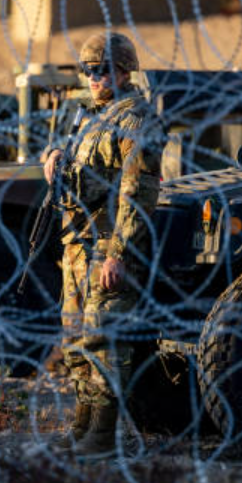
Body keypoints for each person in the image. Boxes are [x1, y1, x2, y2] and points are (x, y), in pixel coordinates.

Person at [43, 32, 163, 455]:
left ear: (125, 71)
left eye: (103, 70)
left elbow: (138, 192)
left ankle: (103, 434)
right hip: (79, 243)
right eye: (89, 70)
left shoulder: (135, 119)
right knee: (76, 339)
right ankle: (83, 424)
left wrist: (119, 255)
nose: (94, 77)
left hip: (109, 245)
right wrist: (55, 156)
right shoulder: (92, 117)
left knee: (105, 339)